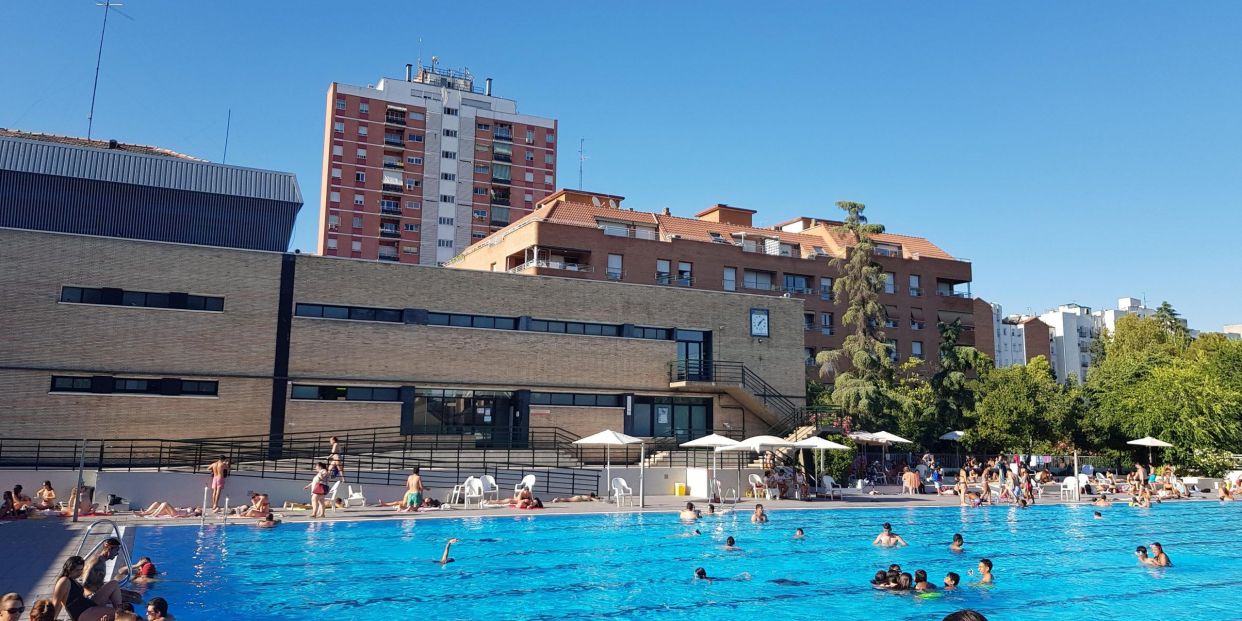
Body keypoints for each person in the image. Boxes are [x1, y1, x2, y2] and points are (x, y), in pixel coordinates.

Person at [50, 556, 115, 621]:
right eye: (77, 570)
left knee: (113, 585)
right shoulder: (64, 581)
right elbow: (56, 603)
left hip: (86, 608)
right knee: (117, 614)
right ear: (70, 569)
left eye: (81, 569)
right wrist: (52, 618)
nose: (80, 572)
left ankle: (119, 606)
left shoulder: (71, 580)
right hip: (82, 612)